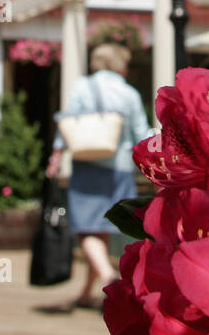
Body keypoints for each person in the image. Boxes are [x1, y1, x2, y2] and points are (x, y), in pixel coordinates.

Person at [48, 43, 151, 309]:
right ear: (119, 64)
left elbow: (67, 122)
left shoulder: (82, 87)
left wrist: (57, 154)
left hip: (88, 164)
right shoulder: (129, 94)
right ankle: (86, 293)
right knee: (103, 228)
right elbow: (141, 134)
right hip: (120, 168)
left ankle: (107, 277)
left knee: (85, 229)